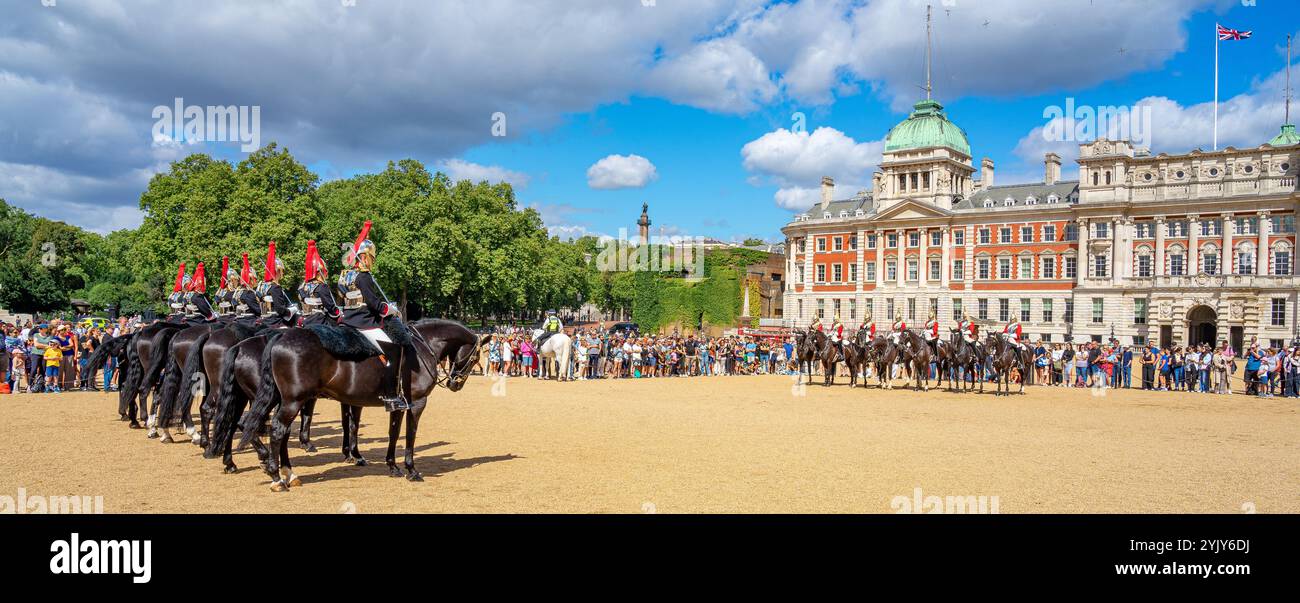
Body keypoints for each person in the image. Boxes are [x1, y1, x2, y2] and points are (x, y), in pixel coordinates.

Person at [339, 222, 409, 412]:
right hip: (365, 324)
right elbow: (374, 305)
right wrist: (391, 309)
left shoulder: (344, 277)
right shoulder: (364, 277)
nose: (372, 261)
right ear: (363, 257)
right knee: (394, 351)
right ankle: (391, 396)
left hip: (346, 322)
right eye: (370, 257)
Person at [297, 240, 343, 326]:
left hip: (304, 322)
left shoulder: (302, 287)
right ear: (320, 271)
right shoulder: (322, 287)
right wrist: (338, 313)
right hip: (319, 322)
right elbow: (330, 308)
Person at [256, 242, 296, 329]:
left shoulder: (261, 286)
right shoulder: (275, 287)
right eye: (281, 271)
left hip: (263, 320)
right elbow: (280, 309)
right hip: (275, 321)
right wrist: (291, 311)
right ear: (278, 271)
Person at [233, 253, 261, 325]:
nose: (256, 281)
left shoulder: (238, 291)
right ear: (251, 280)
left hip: (239, 319)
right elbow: (257, 310)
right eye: (255, 279)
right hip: (249, 321)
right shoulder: (249, 293)